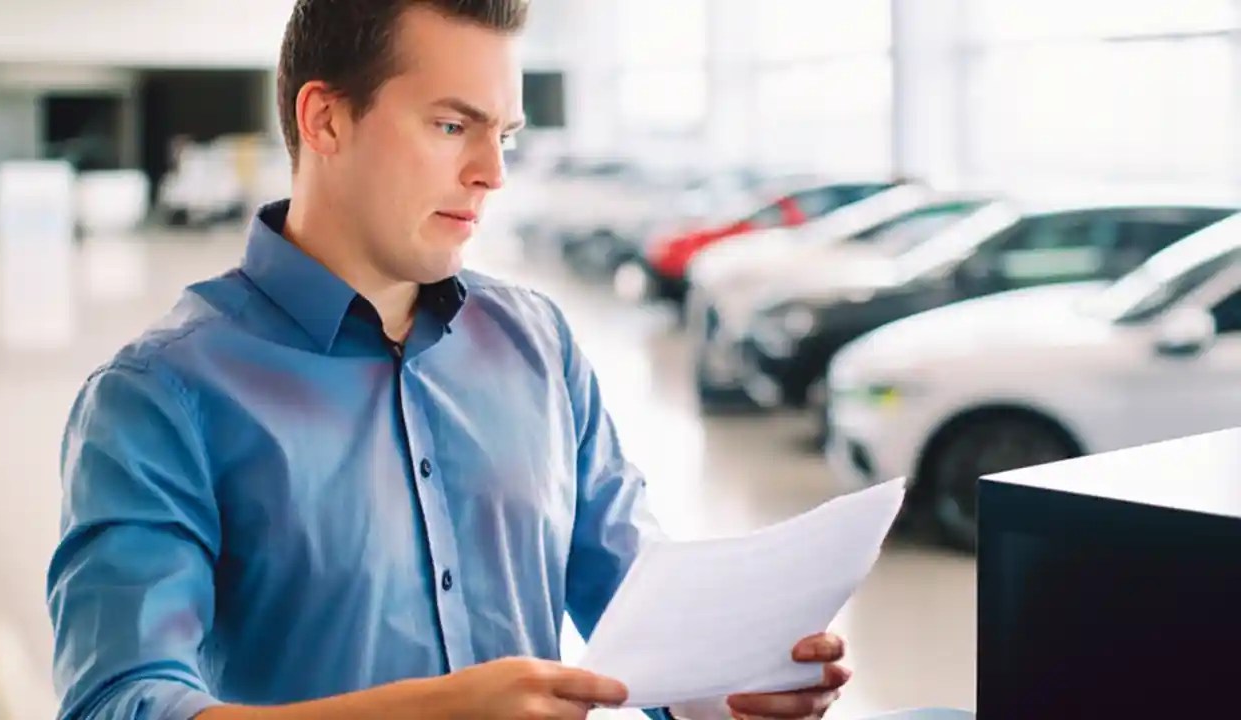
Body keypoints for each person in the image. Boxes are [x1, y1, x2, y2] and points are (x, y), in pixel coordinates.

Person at [46, 1, 852, 718]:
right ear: (325, 120)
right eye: (451, 126)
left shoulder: (538, 343)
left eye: (502, 135)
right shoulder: (160, 396)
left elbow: (642, 611)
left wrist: (735, 690)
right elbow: (120, 700)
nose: (491, 173)